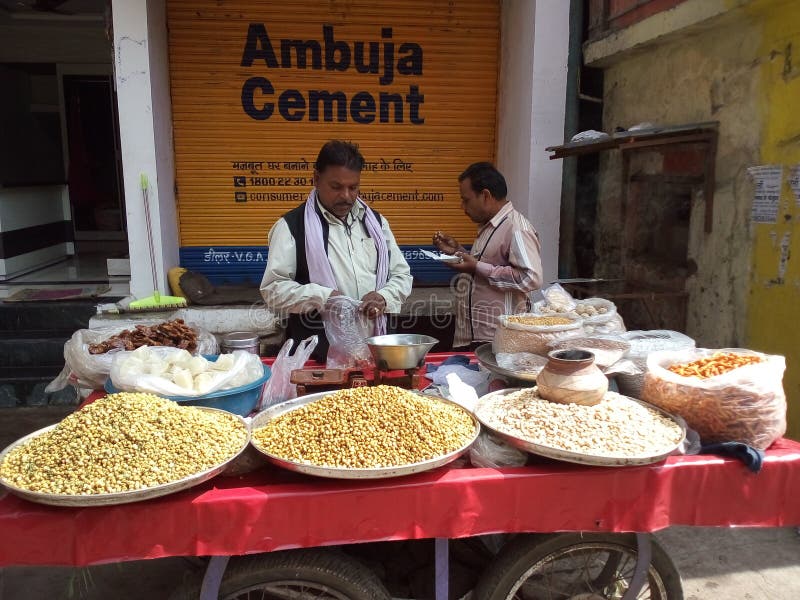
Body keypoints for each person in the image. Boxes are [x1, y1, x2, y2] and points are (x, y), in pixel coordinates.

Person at [260, 140, 413, 360]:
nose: (347, 196)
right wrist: (324, 297)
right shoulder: (291, 227)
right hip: (320, 357)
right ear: (316, 179)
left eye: (353, 187)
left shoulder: (377, 224)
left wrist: (383, 297)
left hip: (377, 350)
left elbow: (402, 275)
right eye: (336, 187)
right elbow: (273, 290)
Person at [432, 162, 543, 349]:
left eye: (466, 200)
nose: (462, 207)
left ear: (485, 196)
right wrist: (458, 252)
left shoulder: (517, 229)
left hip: (498, 342)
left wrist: (475, 266)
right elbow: (487, 266)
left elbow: (531, 278)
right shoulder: (488, 226)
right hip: (472, 338)